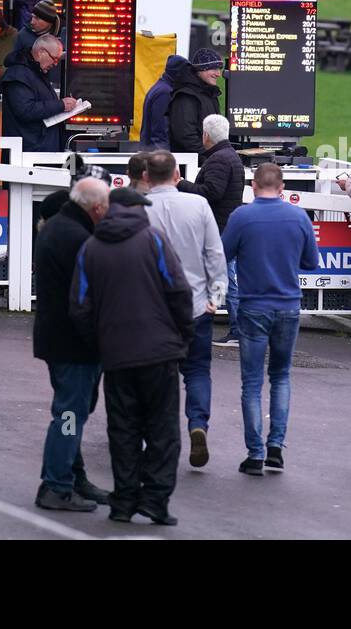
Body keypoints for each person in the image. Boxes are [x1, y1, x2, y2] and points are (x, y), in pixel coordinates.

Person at [71, 188, 193, 526]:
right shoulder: (153, 240)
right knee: (163, 430)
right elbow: (179, 290)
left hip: (116, 355)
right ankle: (155, 500)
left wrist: (100, 343)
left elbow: (80, 306)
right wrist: (183, 334)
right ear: (137, 210)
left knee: (122, 430)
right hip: (159, 352)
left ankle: (123, 500)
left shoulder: (91, 247)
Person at [221, 163, 319, 476]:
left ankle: (255, 453)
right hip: (288, 305)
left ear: (252, 184)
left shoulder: (242, 217)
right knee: (281, 376)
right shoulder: (298, 216)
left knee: (251, 382)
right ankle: (276, 445)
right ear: (282, 187)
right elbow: (311, 262)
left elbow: (223, 254)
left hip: (253, 305)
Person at [131, 150, 226, 467]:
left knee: (155, 373)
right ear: (176, 175)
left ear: (146, 177)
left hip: (151, 307)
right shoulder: (198, 205)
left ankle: (151, 436)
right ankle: (198, 423)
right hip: (195, 304)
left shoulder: (139, 209)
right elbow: (214, 253)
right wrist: (218, 296)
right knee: (197, 371)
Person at [31, 177, 111, 512]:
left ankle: (71, 477)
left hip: (59, 338)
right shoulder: (77, 238)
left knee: (71, 412)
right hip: (74, 343)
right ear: (96, 207)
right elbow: (87, 297)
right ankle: (57, 485)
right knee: (69, 414)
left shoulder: (58, 228)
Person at [177, 114, 244, 347]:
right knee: (228, 278)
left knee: (224, 280)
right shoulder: (231, 157)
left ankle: (235, 330)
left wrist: (180, 184)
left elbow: (211, 192)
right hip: (227, 224)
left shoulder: (218, 160)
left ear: (206, 135)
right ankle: (237, 329)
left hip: (218, 228)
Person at [1, 35, 77, 154]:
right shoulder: (19, 74)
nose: (56, 63)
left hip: (37, 147)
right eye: (54, 58)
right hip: (29, 150)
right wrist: (61, 105)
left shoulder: (35, 72)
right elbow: (25, 110)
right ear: (41, 52)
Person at [168, 49, 224, 154]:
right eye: (214, 69)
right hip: (191, 165)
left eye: (219, 69)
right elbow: (185, 135)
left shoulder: (211, 94)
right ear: (200, 69)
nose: (218, 74)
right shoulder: (185, 96)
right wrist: (208, 157)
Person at [139, 54, 195, 150]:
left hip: (151, 151)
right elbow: (160, 130)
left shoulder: (160, 88)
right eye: (186, 72)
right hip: (157, 154)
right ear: (178, 73)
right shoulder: (165, 92)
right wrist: (164, 156)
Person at [6, 0, 61, 69]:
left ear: (49, 22)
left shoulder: (61, 36)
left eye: (37, 19)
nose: (32, 22)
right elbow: (13, 62)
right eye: (32, 17)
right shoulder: (22, 36)